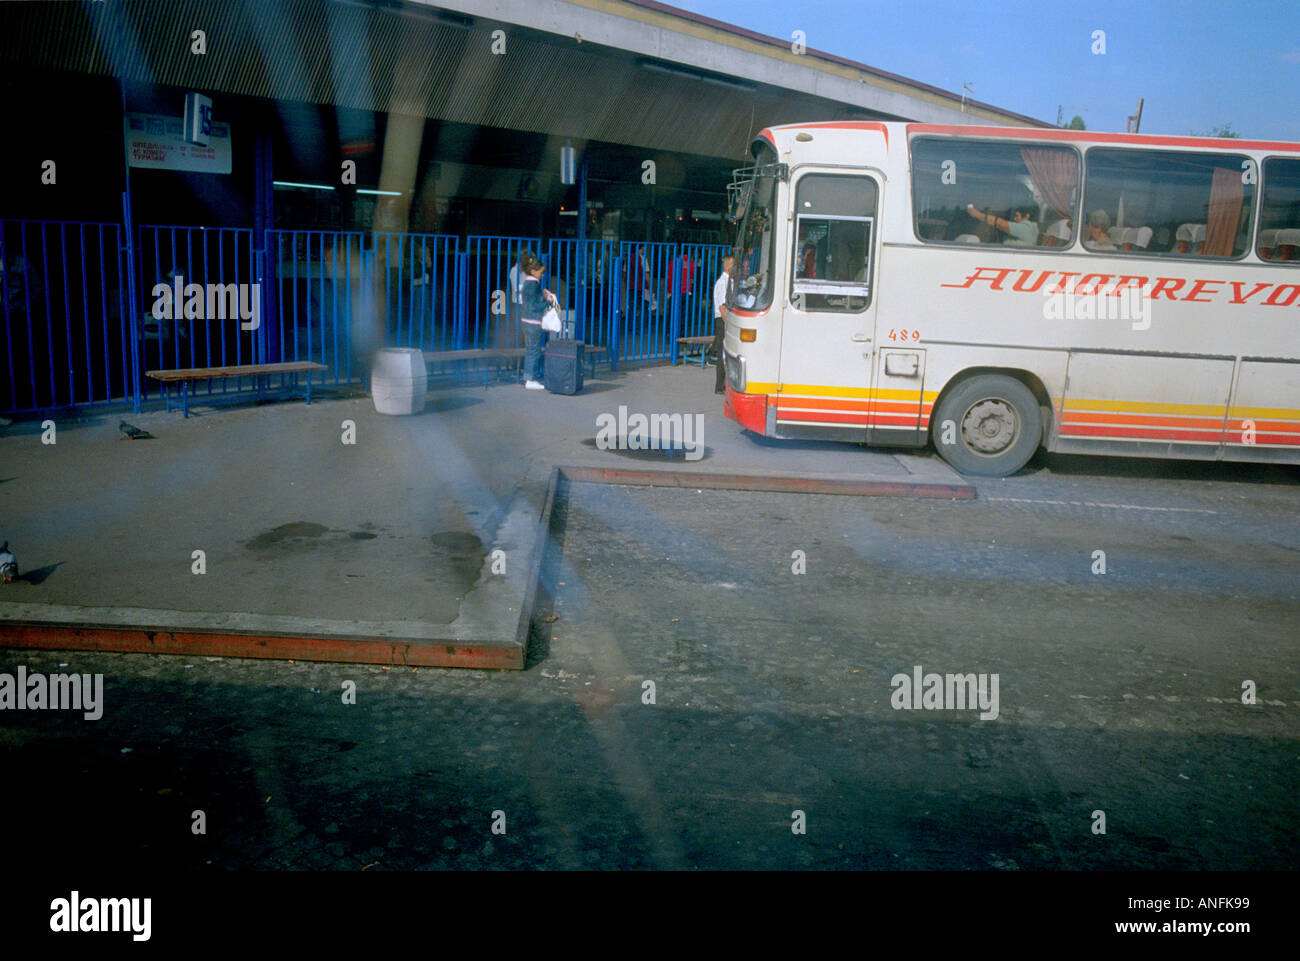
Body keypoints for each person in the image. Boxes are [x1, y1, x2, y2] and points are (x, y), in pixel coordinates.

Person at [519, 256, 557, 390]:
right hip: (533, 322)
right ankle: (531, 379)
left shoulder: (527, 284)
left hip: (526, 321)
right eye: (541, 272)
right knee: (534, 351)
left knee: (531, 350)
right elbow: (536, 305)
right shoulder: (532, 285)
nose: (542, 275)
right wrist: (547, 299)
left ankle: (529, 377)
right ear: (534, 271)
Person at [710, 254, 734, 394]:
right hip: (722, 320)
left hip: (726, 319)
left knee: (726, 353)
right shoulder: (722, 282)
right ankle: (719, 386)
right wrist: (728, 325)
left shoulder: (730, 281)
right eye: (734, 265)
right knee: (722, 353)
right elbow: (722, 306)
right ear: (729, 266)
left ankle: (725, 384)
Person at [966, 203, 1038, 247]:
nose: (1014, 219)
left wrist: (977, 215)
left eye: (1017, 216)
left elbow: (1000, 223)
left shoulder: (1027, 228)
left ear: (1027, 216)